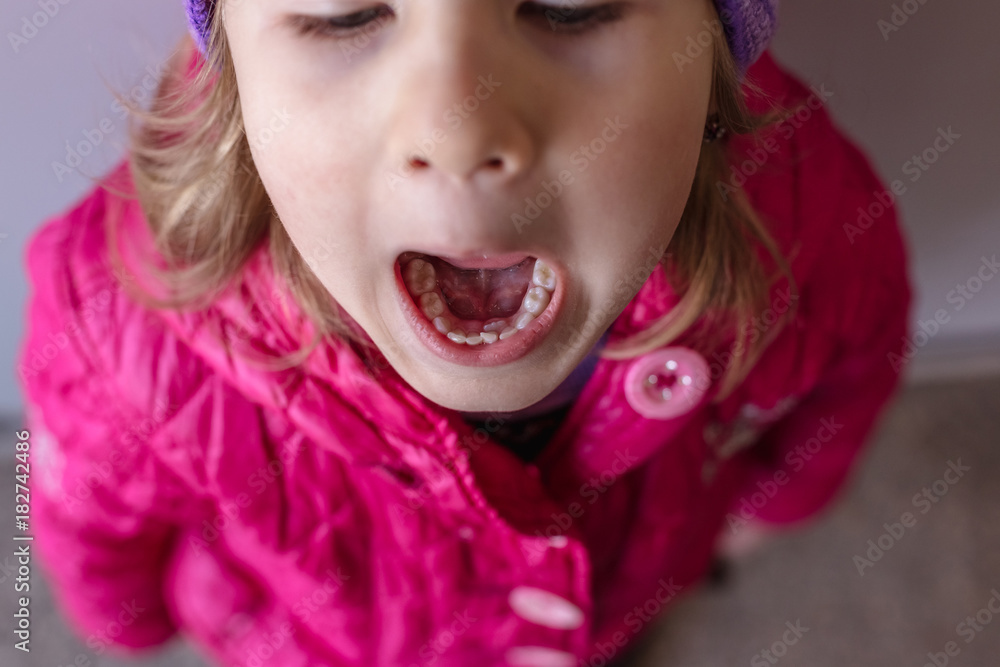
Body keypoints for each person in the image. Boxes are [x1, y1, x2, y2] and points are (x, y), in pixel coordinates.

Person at [17, 0, 912, 665]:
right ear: (236, 78)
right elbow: (84, 515)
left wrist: (779, 496)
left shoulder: (805, 215)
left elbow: (856, 361)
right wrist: (126, 621)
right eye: (342, 12)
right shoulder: (117, 322)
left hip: (616, 601)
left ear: (711, 56)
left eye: (571, 4)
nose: (457, 131)